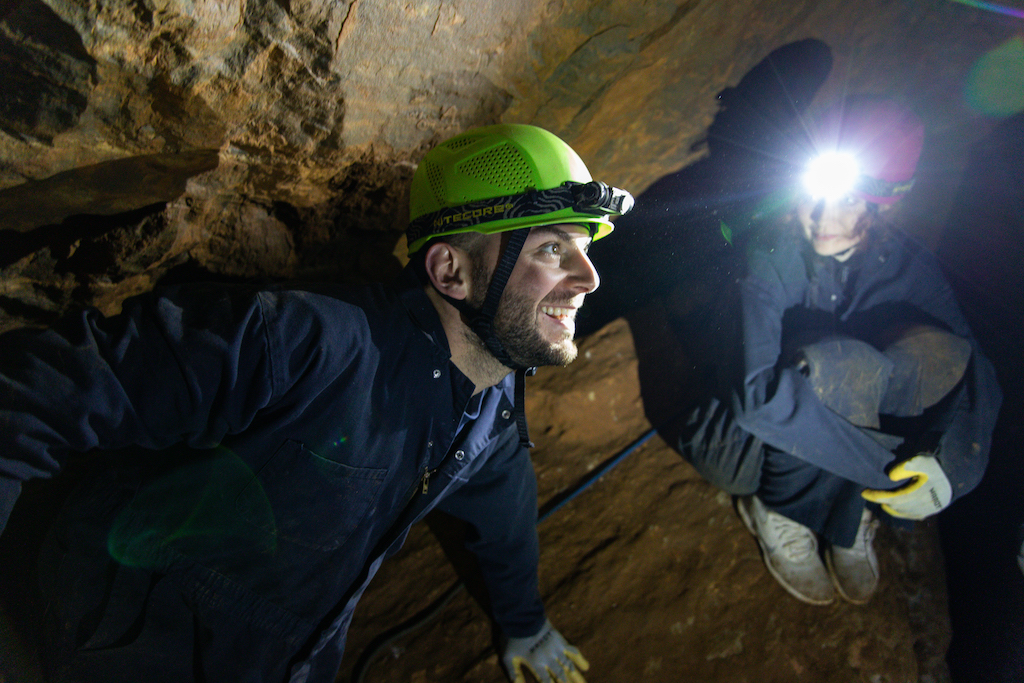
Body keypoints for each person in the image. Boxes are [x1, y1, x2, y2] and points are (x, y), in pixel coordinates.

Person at [0, 124, 633, 683]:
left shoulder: (486, 414)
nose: (589, 278)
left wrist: (524, 624)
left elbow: (505, 516)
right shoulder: (303, 342)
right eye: (553, 249)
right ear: (451, 272)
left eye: (583, 249)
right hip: (76, 649)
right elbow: (33, 390)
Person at [678, 96, 1001, 605]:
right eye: (816, 193)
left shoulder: (905, 264)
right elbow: (757, 396)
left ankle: (845, 513)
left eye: (850, 200)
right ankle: (783, 510)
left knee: (933, 353)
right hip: (738, 435)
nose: (825, 216)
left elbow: (973, 367)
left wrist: (953, 466)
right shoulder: (768, 252)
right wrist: (889, 474)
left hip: (828, 421)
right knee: (834, 365)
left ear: (882, 204)